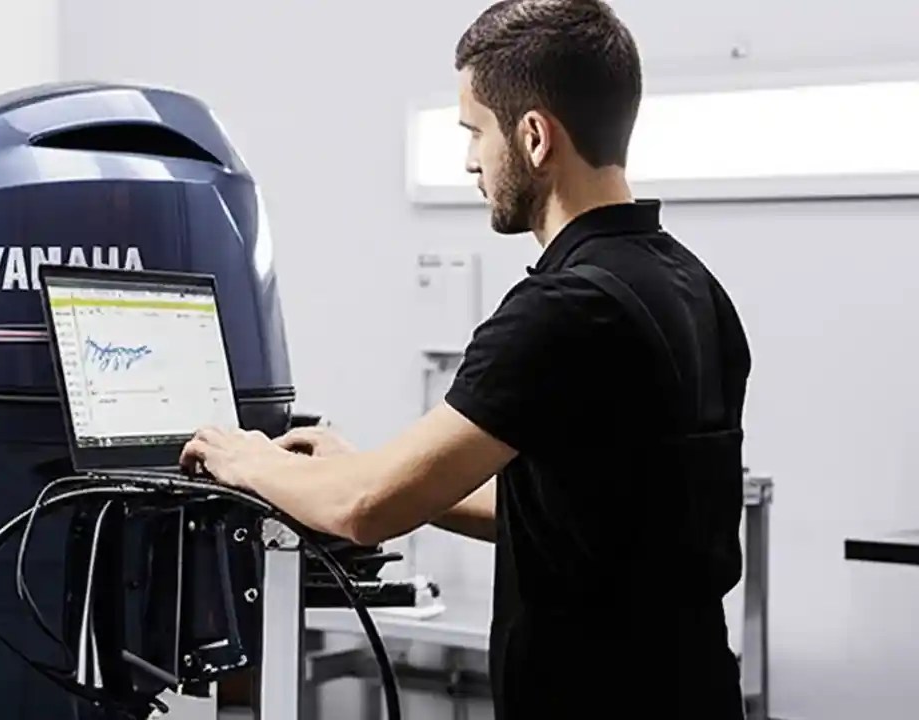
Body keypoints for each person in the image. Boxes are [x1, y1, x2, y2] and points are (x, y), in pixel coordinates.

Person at [180, 0, 751, 717]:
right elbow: (583, 509)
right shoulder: (693, 287)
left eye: (475, 132)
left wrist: (243, 459)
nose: (470, 160)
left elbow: (362, 511)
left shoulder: (563, 310)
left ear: (536, 137)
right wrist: (372, 469)